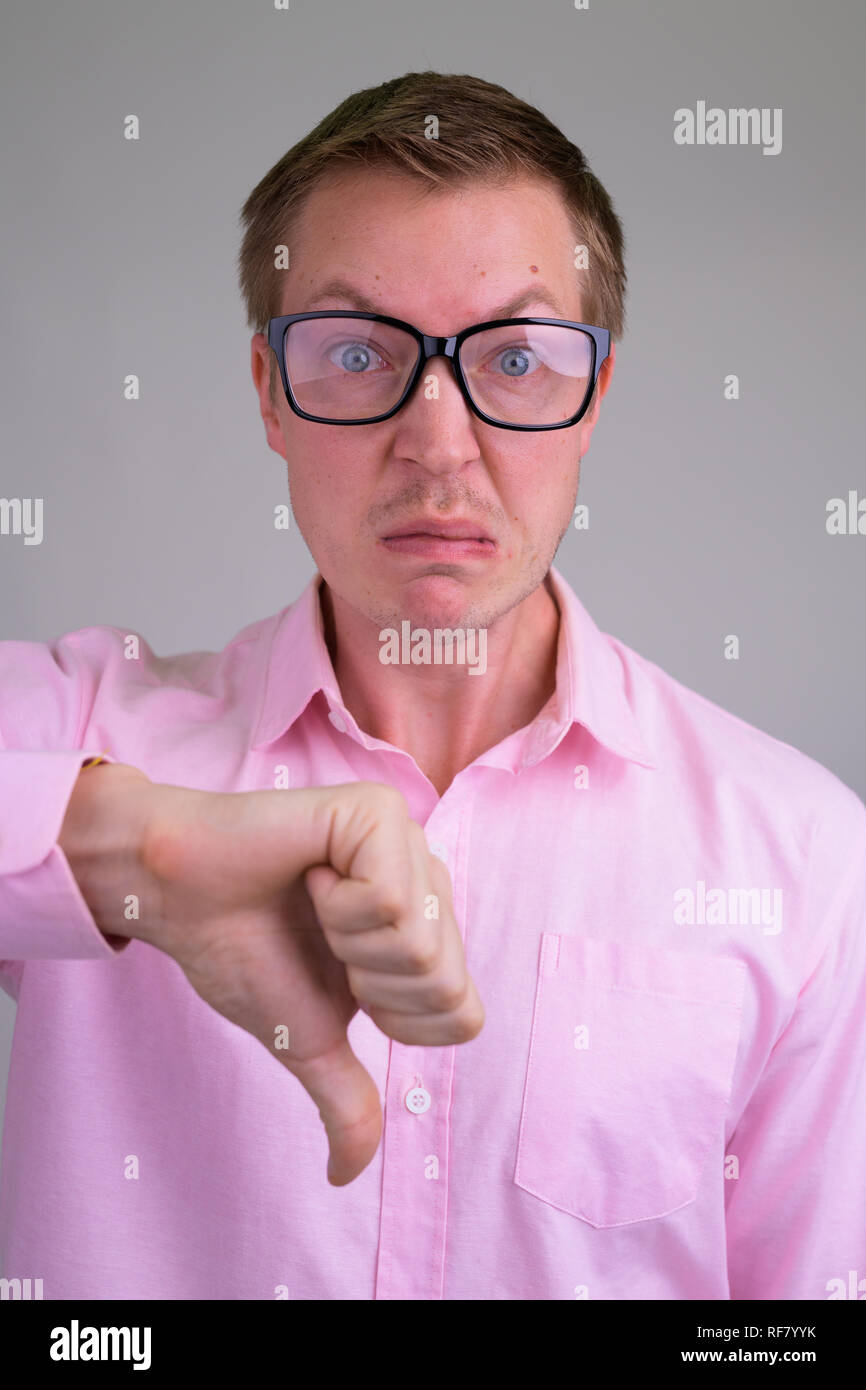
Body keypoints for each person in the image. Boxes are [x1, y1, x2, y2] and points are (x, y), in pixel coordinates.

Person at [1, 69, 864, 1302]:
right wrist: (142, 851)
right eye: (356, 351)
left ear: (592, 398)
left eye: (514, 357)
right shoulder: (83, 730)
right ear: (268, 397)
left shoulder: (807, 862)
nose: (438, 440)